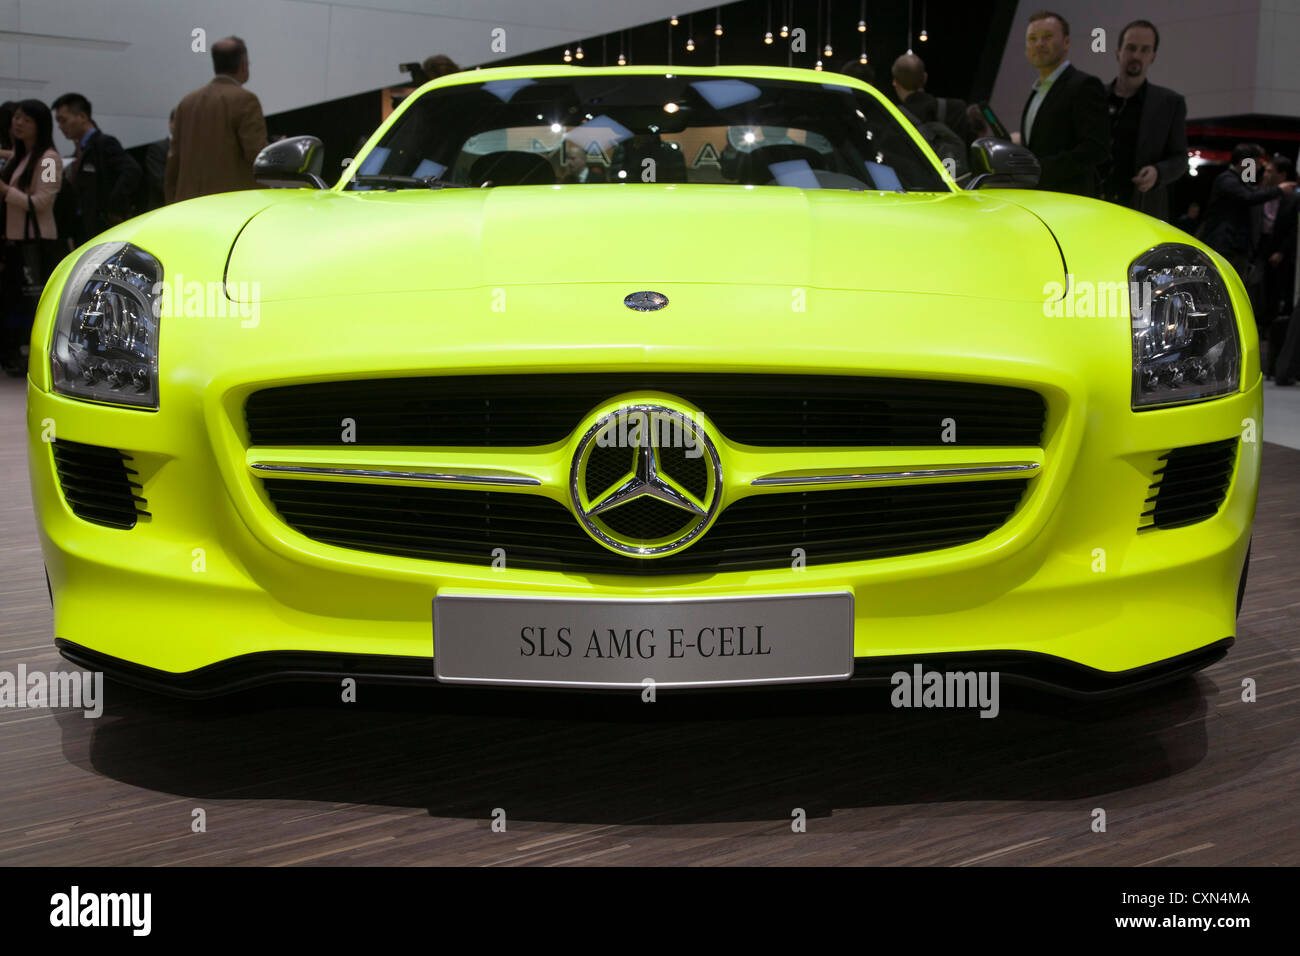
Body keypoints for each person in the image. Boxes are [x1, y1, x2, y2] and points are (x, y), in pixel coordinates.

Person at [0, 100, 63, 375]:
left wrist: (5, 191)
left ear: (40, 125)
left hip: (37, 244)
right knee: (17, 301)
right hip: (17, 242)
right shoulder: (19, 155)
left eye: (26, 119)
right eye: (16, 118)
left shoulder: (48, 158)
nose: (18, 123)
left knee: (33, 303)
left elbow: (42, 202)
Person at [1101, 20, 1187, 220]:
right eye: (1131, 48)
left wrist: (1158, 172)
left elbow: (1180, 158)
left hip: (1141, 210)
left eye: (1144, 50)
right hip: (1091, 203)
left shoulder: (1170, 103)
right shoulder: (1094, 97)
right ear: (1118, 51)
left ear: (1153, 56)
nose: (1136, 56)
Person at [165, 35, 268, 203]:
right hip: (230, 204)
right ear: (243, 65)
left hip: (188, 203)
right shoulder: (245, 100)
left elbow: (173, 160)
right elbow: (256, 154)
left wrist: (171, 202)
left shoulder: (187, 102)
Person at [1019, 10, 1110, 196]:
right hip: (1038, 199)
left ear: (1066, 42)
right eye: (1032, 38)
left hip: (1071, 200)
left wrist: (1037, 171)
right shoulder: (1038, 91)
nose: (1039, 44)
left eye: (1047, 37)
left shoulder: (1084, 85)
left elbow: (1096, 148)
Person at [51, 93, 142, 245]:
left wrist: (113, 208)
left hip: (101, 228)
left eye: (63, 120)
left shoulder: (104, 143)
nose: (60, 127)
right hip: (82, 228)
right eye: (58, 121)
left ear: (82, 117)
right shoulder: (79, 150)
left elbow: (132, 170)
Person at [1197, 143, 1295, 280]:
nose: (1259, 168)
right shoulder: (1227, 179)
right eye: (1256, 163)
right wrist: (1279, 190)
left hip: (1236, 247)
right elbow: (1248, 197)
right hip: (1225, 245)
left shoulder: (1239, 181)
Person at [890, 53, 970, 143]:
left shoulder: (892, 119)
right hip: (948, 158)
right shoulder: (956, 109)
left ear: (895, 82)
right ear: (925, 77)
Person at [142, 110, 174, 212]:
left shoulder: (193, 149)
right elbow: (159, 180)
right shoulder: (157, 148)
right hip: (161, 209)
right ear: (170, 123)